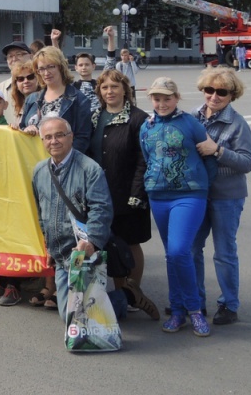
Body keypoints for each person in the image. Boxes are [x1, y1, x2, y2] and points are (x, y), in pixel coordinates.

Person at [140, 77, 217, 336]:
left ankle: (195, 310)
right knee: (171, 255)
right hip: (158, 196)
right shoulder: (146, 126)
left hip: (189, 195)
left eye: (166, 98)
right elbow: (147, 157)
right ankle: (177, 310)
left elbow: (209, 157)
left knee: (179, 251)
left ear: (177, 98)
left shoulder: (190, 123)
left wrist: (200, 185)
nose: (161, 103)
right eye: (156, 98)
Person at [90, 69, 158, 319]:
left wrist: (137, 192)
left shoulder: (139, 119)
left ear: (125, 90)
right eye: (105, 87)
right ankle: (120, 294)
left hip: (128, 191)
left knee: (129, 242)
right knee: (108, 244)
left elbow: (144, 159)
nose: (109, 92)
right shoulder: (94, 117)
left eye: (114, 87)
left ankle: (132, 291)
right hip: (99, 191)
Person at [32, 116, 113, 318]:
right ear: (42, 141)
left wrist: (91, 241)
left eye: (59, 135)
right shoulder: (39, 171)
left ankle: (122, 300)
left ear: (71, 137)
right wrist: (48, 245)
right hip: (60, 255)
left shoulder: (90, 169)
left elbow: (101, 209)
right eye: (48, 137)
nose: (54, 141)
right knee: (68, 315)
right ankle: (116, 300)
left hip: (82, 253)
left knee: (81, 314)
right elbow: (41, 211)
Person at [191, 67, 251, 326]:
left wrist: (218, 151)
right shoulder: (193, 116)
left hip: (227, 196)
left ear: (231, 95)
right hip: (197, 193)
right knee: (193, 248)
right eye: (209, 90)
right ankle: (195, 300)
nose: (214, 96)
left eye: (221, 92)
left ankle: (229, 304)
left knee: (224, 252)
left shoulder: (237, 123)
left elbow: (247, 162)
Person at [20, 46, 93, 153]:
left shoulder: (79, 100)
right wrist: (26, 130)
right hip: (33, 161)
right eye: (42, 68)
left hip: (64, 164)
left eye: (51, 66)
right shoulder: (31, 99)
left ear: (60, 67)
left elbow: (82, 139)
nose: (46, 73)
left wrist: (61, 162)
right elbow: (22, 129)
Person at [0, 42, 33, 119]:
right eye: (10, 56)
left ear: (31, 56)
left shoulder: (42, 83)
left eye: (19, 54)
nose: (14, 59)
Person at [9, 61, 39, 129]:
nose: (26, 81)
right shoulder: (19, 107)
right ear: (16, 84)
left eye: (30, 77)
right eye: (20, 79)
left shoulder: (44, 100)